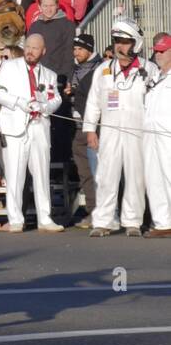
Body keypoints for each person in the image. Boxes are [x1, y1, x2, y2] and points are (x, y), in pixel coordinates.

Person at [82, 17, 149, 237]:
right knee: (105, 175)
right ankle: (103, 221)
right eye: (117, 41)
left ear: (135, 43)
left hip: (138, 131)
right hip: (110, 130)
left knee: (135, 176)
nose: (120, 46)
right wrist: (90, 129)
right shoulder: (103, 70)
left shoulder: (149, 70)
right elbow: (93, 101)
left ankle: (132, 221)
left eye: (125, 41)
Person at [0, 37, 63, 233]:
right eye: (28, 47)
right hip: (14, 128)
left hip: (39, 126)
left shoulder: (49, 75)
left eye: (35, 48)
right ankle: (15, 220)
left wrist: (45, 106)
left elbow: (56, 97)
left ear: (43, 51)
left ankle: (45, 218)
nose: (30, 51)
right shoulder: (9, 67)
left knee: (42, 173)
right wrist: (20, 102)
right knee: (14, 175)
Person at [65, 34, 101, 227]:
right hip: (76, 127)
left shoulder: (100, 68)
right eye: (74, 49)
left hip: (95, 128)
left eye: (79, 49)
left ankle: (106, 211)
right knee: (85, 173)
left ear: (89, 49)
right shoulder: (75, 68)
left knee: (100, 173)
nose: (76, 52)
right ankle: (92, 211)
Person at [142, 33, 171, 237]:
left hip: (168, 134)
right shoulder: (154, 76)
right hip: (150, 133)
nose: (158, 55)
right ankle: (162, 222)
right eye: (156, 51)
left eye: (162, 51)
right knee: (154, 177)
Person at [26, 0, 76, 82]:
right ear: (40, 7)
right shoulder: (34, 26)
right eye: (45, 6)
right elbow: (28, 50)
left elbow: (69, 55)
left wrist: (67, 79)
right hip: (34, 76)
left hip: (57, 76)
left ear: (57, 5)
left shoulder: (67, 25)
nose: (49, 9)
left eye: (52, 5)